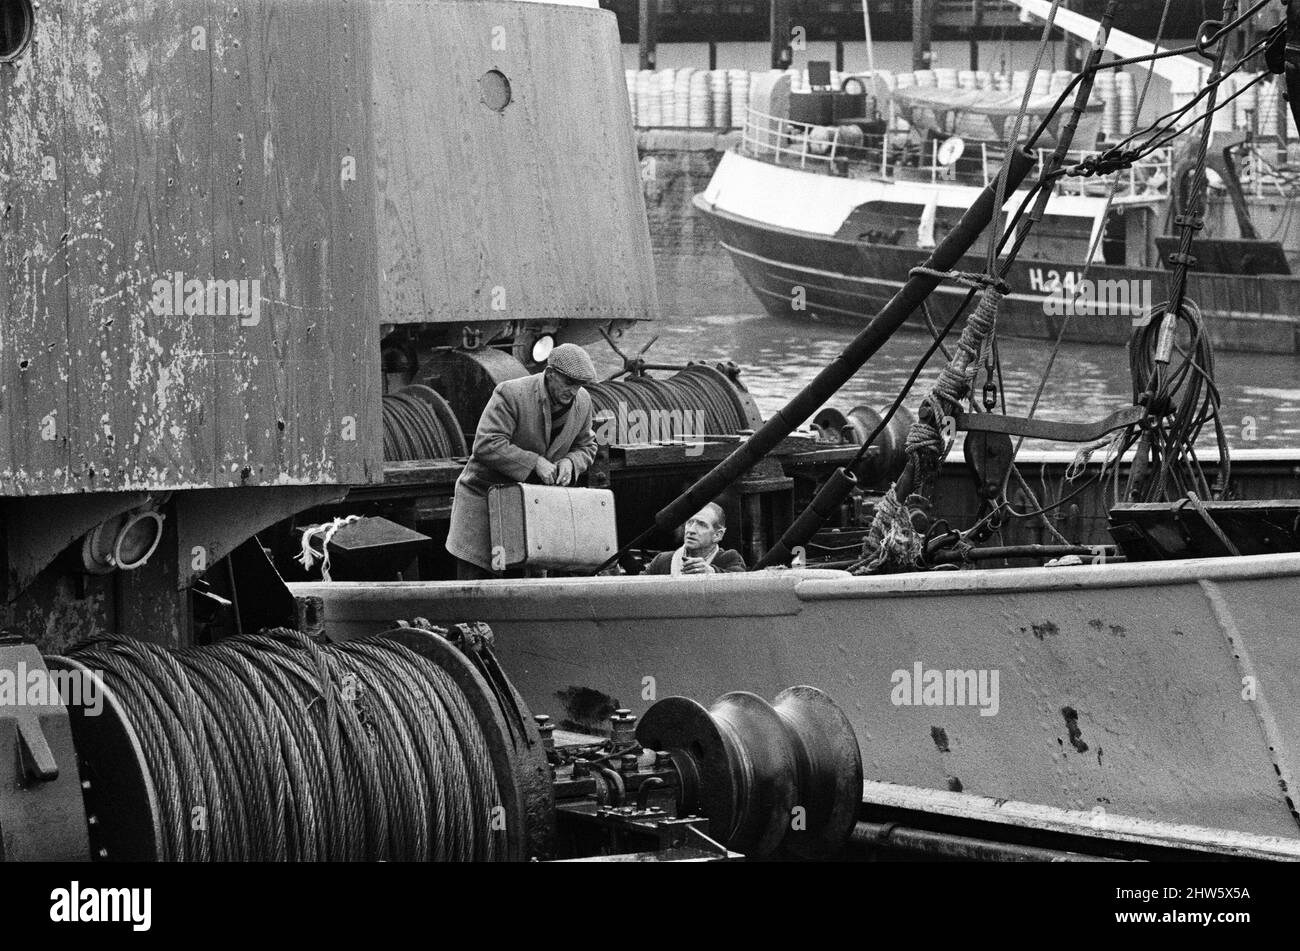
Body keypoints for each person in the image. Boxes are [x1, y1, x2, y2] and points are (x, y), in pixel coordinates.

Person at [446, 343, 599, 579]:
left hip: (534, 510)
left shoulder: (583, 402)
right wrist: (535, 462)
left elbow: (587, 445)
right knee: (477, 590)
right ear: (550, 374)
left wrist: (571, 462)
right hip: (486, 505)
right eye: (569, 383)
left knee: (532, 593)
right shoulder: (511, 394)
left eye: (579, 385)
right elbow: (487, 444)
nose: (574, 390)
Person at [644, 503, 746, 575]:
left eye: (702, 524)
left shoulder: (730, 559)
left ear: (717, 535)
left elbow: (742, 585)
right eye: (690, 522)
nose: (691, 530)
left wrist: (711, 572)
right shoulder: (662, 561)